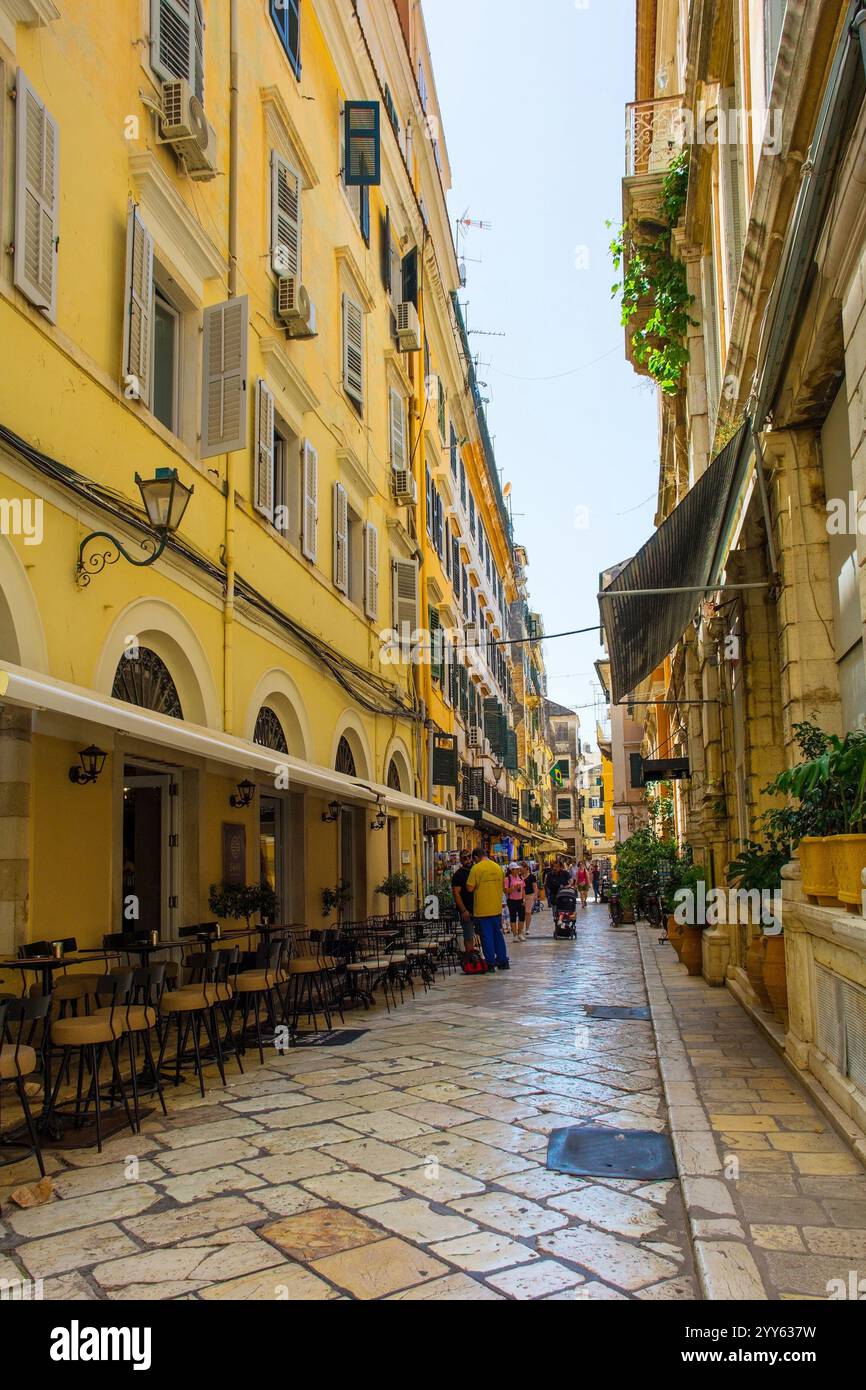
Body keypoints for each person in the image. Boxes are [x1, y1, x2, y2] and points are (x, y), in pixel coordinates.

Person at [466, 846, 509, 971]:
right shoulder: (497, 867)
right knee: (498, 935)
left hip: (482, 909)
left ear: (475, 857)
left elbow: (469, 888)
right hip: (496, 908)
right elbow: (502, 887)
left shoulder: (476, 868)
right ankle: (503, 960)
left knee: (486, 937)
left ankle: (490, 962)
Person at [451, 850, 477, 956]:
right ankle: (471, 959)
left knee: (483, 935)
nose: (468, 860)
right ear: (461, 860)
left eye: (469, 857)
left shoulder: (476, 870)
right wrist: (463, 910)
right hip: (467, 910)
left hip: (480, 909)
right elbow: (456, 894)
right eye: (465, 858)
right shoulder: (458, 875)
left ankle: (483, 959)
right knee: (468, 935)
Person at [504, 862, 527, 941]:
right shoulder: (507, 879)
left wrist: (524, 899)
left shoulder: (520, 878)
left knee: (522, 917)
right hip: (511, 900)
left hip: (520, 900)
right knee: (513, 917)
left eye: (518, 868)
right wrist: (514, 888)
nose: (518, 870)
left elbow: (523, 889)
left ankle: (520, 933)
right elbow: (506, 891)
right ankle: (514, 935)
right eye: (516, 869)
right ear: (512, 870)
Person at [523, 863, 538, 933]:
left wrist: (535, 895)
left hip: (530, 895)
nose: (520, 869)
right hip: (521, 896)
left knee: (528, 912)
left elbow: (535, 886)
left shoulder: (532, 876)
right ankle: (521, 927)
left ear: (526, 868)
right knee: (522, 912)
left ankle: (527, 928)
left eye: (521, 868)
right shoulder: (519, 876)